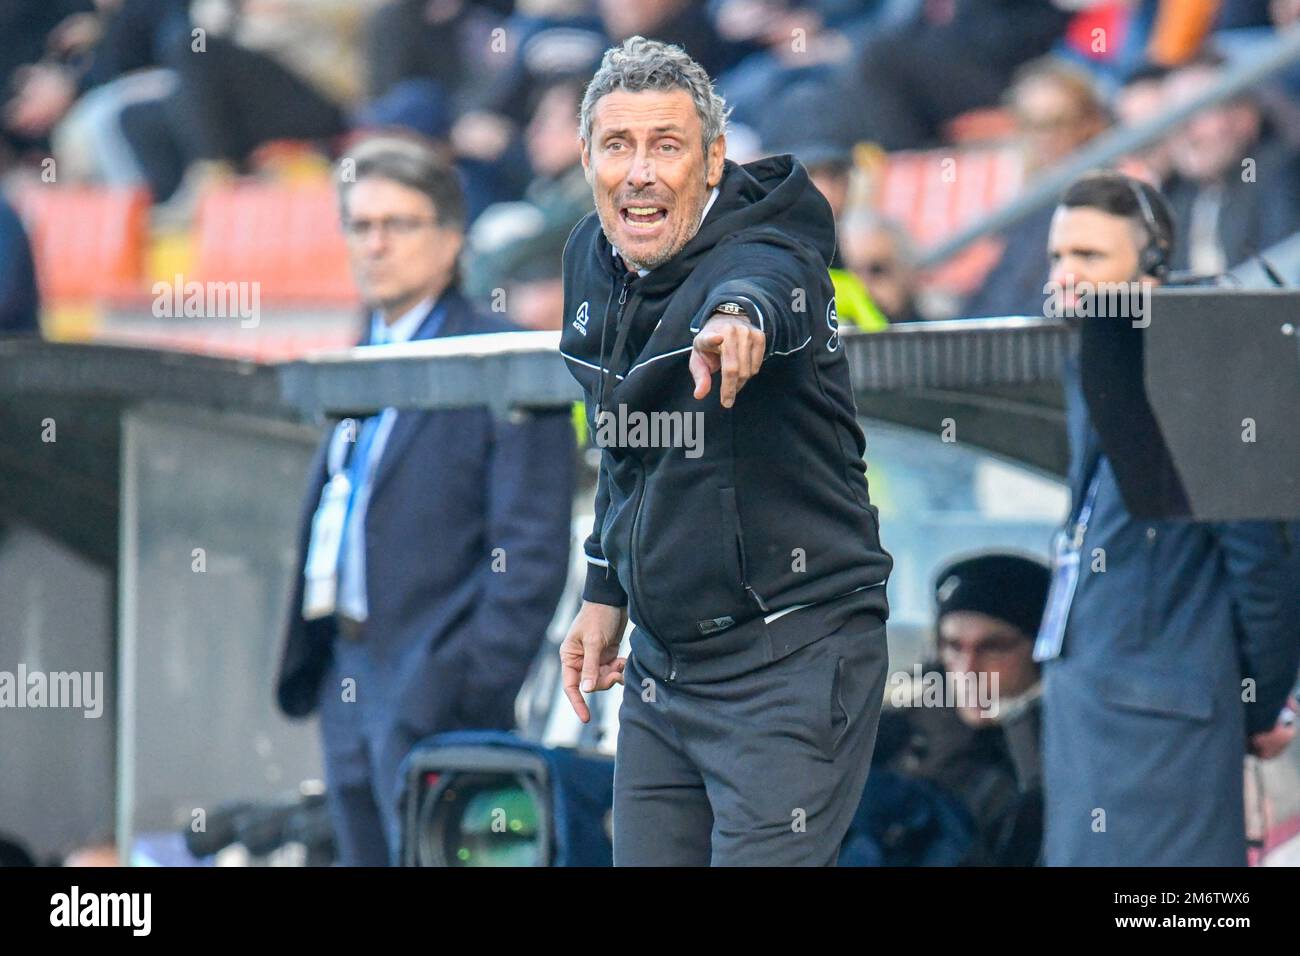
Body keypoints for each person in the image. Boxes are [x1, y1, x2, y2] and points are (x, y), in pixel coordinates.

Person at [558, 36, 893, 866]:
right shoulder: (588, 261)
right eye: (618, 146)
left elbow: (769, 288)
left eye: (666, 147)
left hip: (791, 655)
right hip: (663, 669)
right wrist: (605, 585)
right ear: (588, 160)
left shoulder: (773, 252)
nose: (640, 172)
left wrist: (739, 323)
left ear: (712, 164)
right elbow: (623, 444)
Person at [275, 134, 575, 866]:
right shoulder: (355, 357)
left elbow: (531, 551)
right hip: (345, 666)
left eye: (397, 225)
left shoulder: (504, 359)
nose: (374, 245)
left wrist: (466, 688)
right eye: (360, 225)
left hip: (437, 681)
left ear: (449, 241)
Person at [1035, 170, 1300, 866]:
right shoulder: (1096, 359)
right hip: (1090, 722)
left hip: (1163, 740)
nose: (1066, 275)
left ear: (1152, 266)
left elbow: (1263, 564)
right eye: (1059, 257)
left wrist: (1257, 704)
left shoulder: (1201, 366)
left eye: (1089, 257)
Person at [880, 552, 1049, 865]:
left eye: (994, 647)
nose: (968, 669)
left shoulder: (1063, 748)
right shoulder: (897, 731)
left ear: (1038, 652)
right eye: (953, 646)